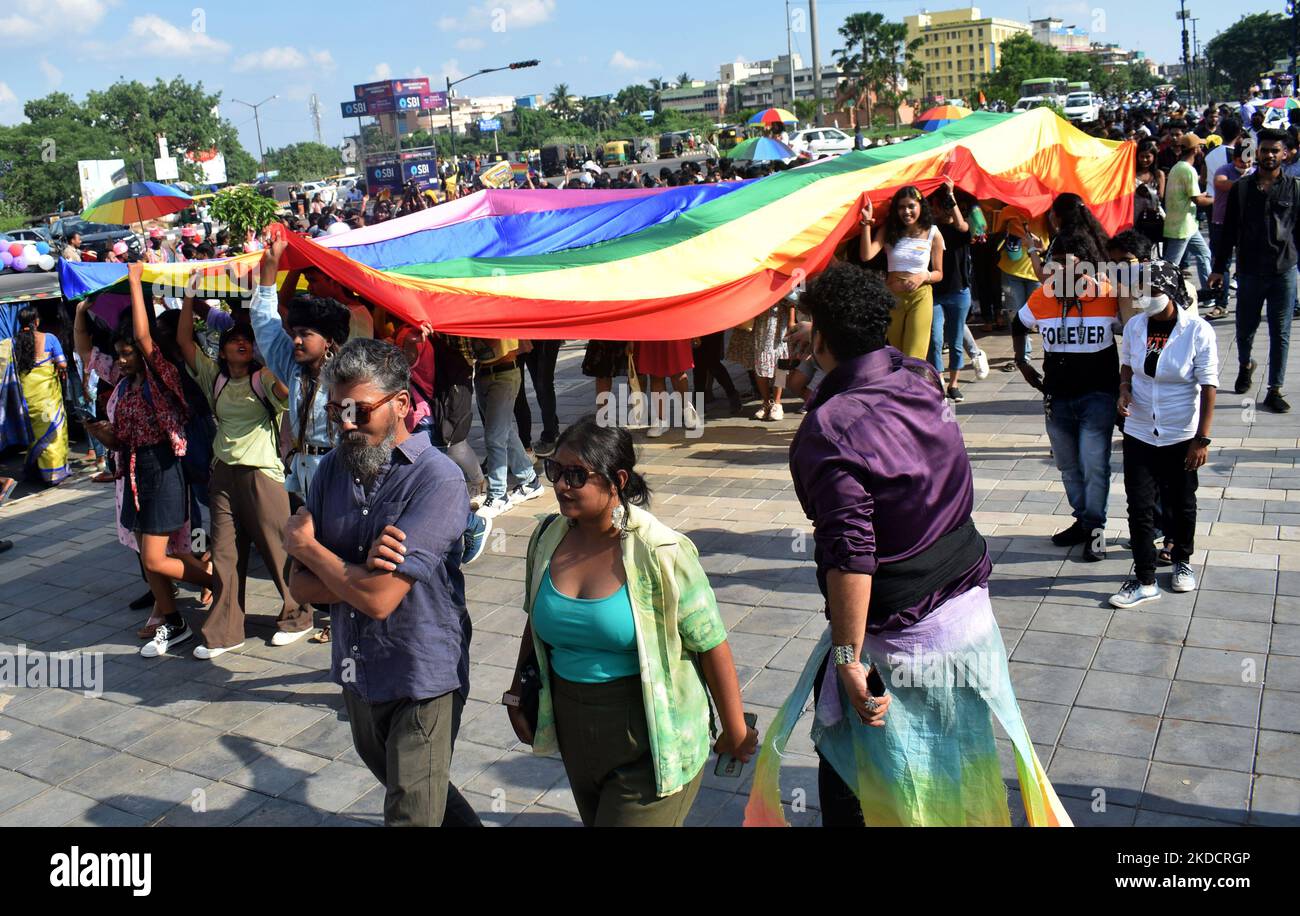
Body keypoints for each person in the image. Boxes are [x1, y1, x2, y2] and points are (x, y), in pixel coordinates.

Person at [747, 261, 1068, 827]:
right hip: (966, 611)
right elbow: (869, 375)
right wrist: (827, 350)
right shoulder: (918, 374)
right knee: (950, 766)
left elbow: (851, 554)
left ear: (819, 337)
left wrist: (846, 659)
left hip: (902, 635)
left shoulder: (827, 430)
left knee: (860, 787)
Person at [504, 417, 756, 826]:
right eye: (555, 470)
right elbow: (534, 624)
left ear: (616, 480)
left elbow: (711, 644)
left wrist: (735, 731)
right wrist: (517, 692)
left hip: (652, 736)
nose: (561, 486)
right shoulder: (546, 537)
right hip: (574, 728)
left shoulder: (660, 551)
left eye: (575, 475)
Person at [286, 338, 482, 828]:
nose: (346, 423)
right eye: (336, 411)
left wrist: (312, 549)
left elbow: (378, 599)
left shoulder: (437, 480)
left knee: (410, 814)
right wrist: (356, 572)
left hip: (422, 675)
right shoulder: (331, 470)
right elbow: (300, 588)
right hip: (358, 674)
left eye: (360, 410)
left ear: (400, 404)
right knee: (413, 789)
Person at [175, 282, 314, 658]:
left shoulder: (263, 378)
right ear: (221, 349)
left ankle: (297, 615)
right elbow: (185, 341)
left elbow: (288, 393)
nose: (242, 343)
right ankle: (224, 629)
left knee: (277, 549)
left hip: (262, 474)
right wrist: (188, 297)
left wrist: (274, 355)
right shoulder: (214, 378)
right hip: (222, 474)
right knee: (223, 553)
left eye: (247, 340)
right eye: (234, 339)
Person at [85, 263, 214, 657]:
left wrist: (137, 281)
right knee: (148, 557)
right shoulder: (125, 386)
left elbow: (144, 336)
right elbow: (124, 434)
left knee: (160, 558)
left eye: (128, 354)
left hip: (162, 467)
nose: (123, 360)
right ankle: (173, 622)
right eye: (120, 354)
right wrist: (107, 436)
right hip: (134, 470)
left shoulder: (163, 377)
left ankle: (220, 583)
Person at [1012, 229, 1123, 561]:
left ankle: (1097, 530)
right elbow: (1017, 324)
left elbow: (1136, 327)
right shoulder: (1042, 296)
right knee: (1068, 465)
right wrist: (1022, 362)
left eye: (1068, 263)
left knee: (1094, 464)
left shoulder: (1108, 293)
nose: (1060, 270)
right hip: (1057, 395)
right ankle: (1083, 522)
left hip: (1099, 394)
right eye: (1054, 262)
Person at [1112, 261, 1218, 608]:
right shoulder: (1135, 327)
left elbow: (1208, 385)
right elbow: (1127, 363)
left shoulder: (1197, 331)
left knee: (1181, 502)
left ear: (1170, 292)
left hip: (1180, 432)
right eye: (1140, 292)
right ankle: (1144, 579)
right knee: (1139, 505)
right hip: (1140, 429)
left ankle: (1182, 560)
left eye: (1152, 292)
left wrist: (1201, 439)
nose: (1145, 299)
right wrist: (1125, 388)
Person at [1210, 128, 1300, 413]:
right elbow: (1228, 233)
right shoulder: (1242, 189)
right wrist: (1218, 268)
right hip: (1248, 271)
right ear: (1256, 152)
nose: (1270, 155)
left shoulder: (1295, 188)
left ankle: (1275, 389)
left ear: (1285, 154)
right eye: (1265, 150)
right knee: (1245, 328)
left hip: (1283, 271)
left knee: (1281, 331)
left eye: (1276, 150)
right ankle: (1245, 364)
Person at [859, 186, 944, 360]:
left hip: (920, 296)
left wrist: (923, 275)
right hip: (893, 298)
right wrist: (866, 224)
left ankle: (913, 386)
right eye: (901, 207)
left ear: (921, 206)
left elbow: (939, 273)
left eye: (911, 206)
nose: (906, 211)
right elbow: (866, 255)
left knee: (914, 355)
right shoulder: (888, 230)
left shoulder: (933, 233)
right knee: (898, 354)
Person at [474, 337, 545, 518]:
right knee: (504, 431)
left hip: (504, 374)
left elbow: (493, 342)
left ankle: (498, 496)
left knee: (495, 436)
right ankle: (529, 481)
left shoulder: (500, 313)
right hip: (482, 373)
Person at [11, 305, 70, 484]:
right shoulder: (50, 338)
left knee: (35, 435)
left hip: (27, 399)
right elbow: (62, 364)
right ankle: (53, 473)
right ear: (37, 321)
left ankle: (35, 471)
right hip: (48, 397)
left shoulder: (13, 343)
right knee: (54, 431)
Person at [927, 178, 973, 400]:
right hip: (934, 292)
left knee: (955, 342)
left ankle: (953, 384)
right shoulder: (927, 231)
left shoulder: (960, 230)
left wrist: (950, 195)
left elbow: (962, 225)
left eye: (942, 205)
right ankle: (939, 382)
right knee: (935, 340)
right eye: (936, 205)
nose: (939, 210)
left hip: (958, 292)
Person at [1161, 133, 1214, 295]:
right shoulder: (1188, 170)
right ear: (1195, 149)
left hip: (1187, 224)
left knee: (1204, 253)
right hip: (1181, 225)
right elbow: (1197, 200)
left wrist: (1209, 195)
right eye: (1200, 145)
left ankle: (1207, 291)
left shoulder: (1178, 167)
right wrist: (1217, 199)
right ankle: (1162, 294)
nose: (1201, 148)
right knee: (1171, 265)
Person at [1206, 141, 1249, 321]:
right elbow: (1221, 184)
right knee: (1221, 264)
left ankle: (1246, 303)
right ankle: (1221, 304)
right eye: (1241, 161)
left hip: (1245, 225)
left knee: (1245, 264)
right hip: (1221, 223)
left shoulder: (1254, 172)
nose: (1245, 165)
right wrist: (1250, 181)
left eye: (1249, 162)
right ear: (1234, 158)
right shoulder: (1224, 170)